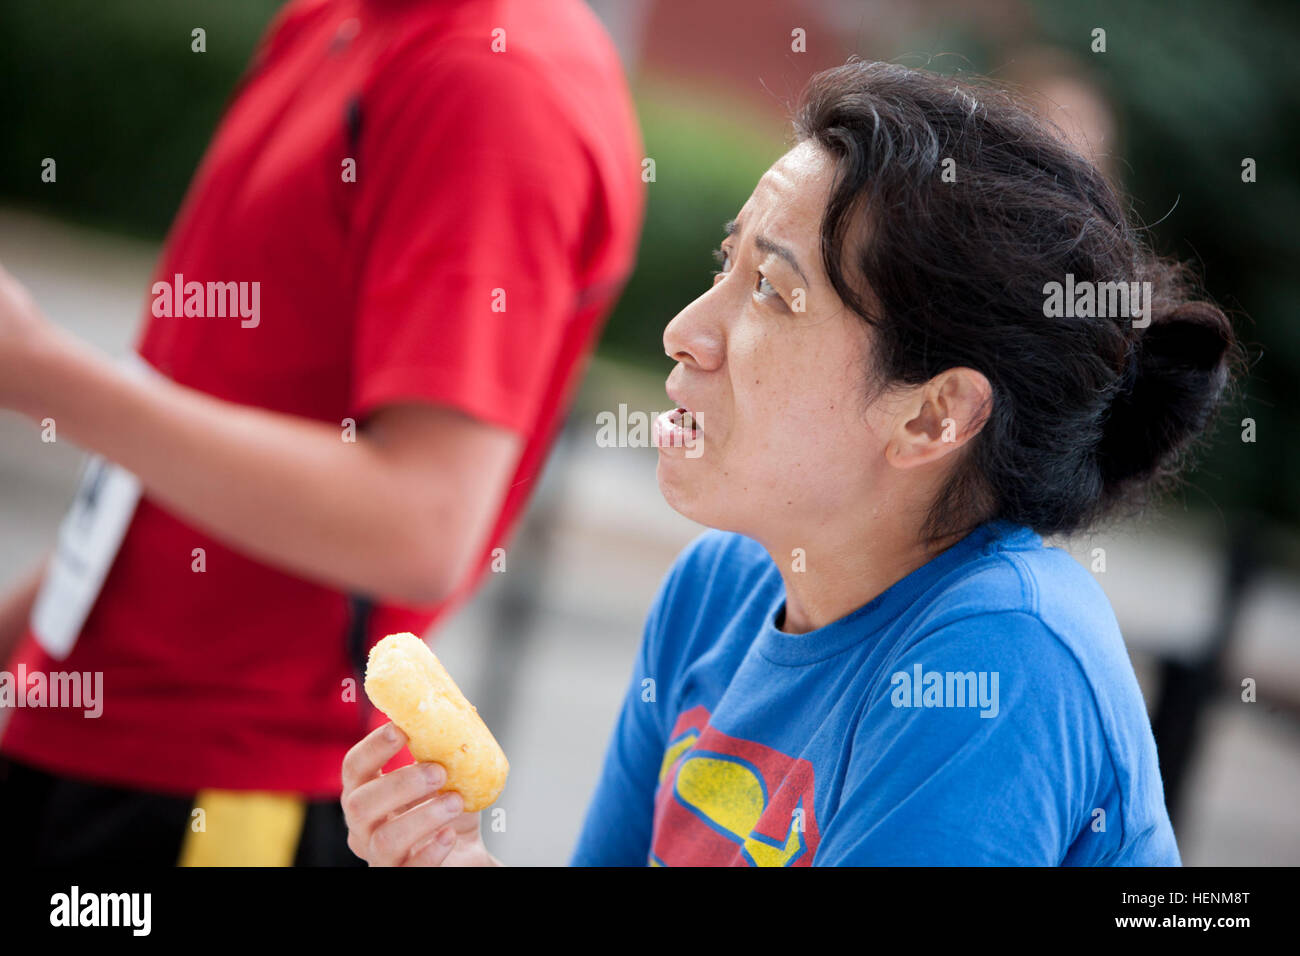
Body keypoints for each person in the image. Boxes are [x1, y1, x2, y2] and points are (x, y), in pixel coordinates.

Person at [340, 59, 1244, 867]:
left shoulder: (1006, 663)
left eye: (773, 290)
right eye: (724, 263)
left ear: (934, 415)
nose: (685, 332)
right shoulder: (719, 588)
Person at [0, 0, 643, 865]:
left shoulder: (493, 84)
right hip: (86, 739)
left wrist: (41, 373)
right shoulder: (339, 17)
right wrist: (28, 640)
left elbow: (420, 523)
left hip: (223, 798)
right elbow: (184, 434)